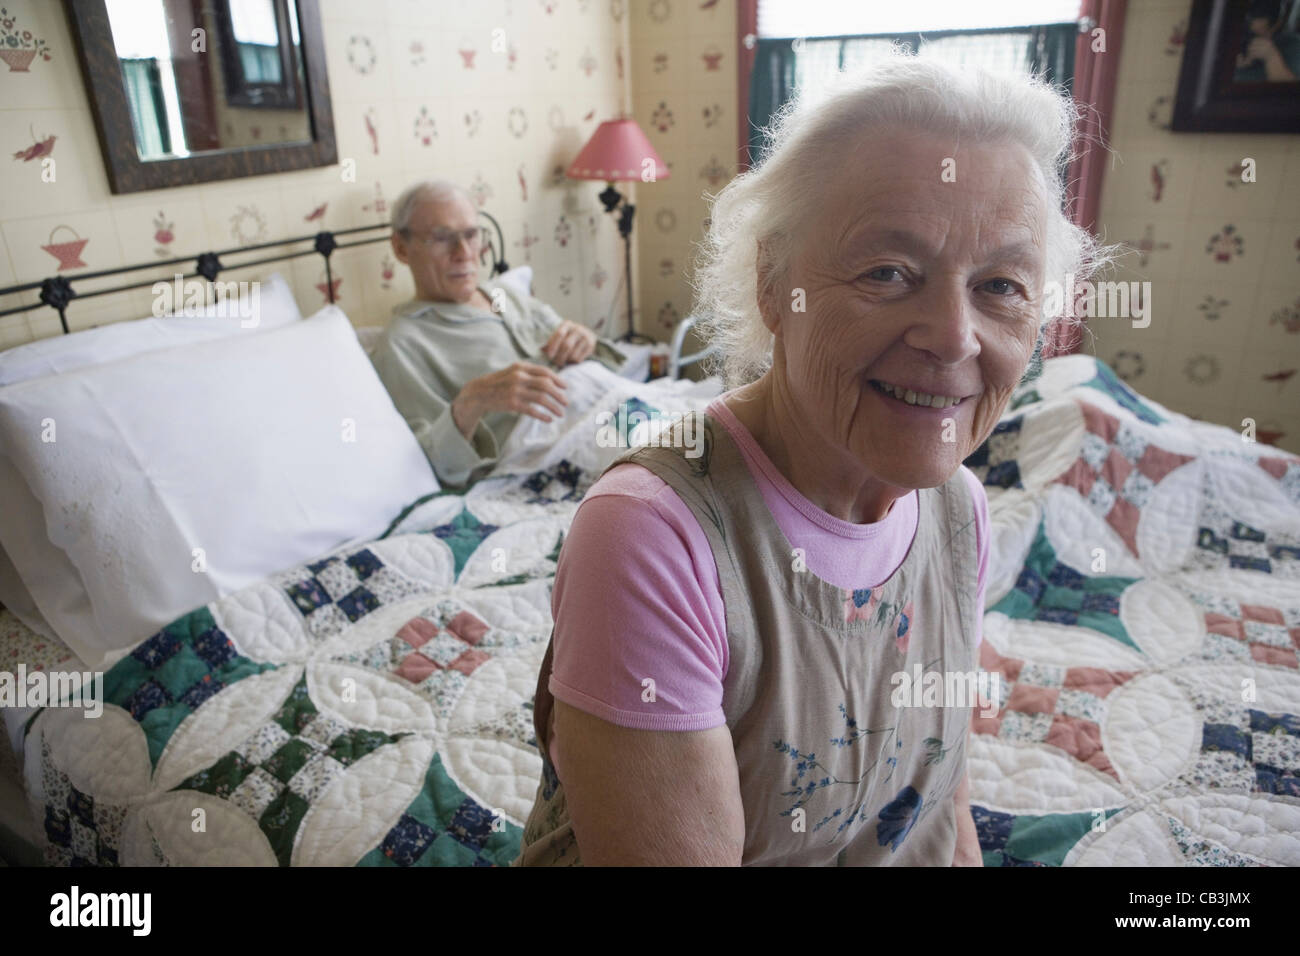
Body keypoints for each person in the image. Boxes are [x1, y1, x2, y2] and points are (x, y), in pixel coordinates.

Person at [515, 53, 1112, 866]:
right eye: (888, 271)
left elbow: (938, 797)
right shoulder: (652, 538)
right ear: (773, 283)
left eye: (1002, 285)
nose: (953, 336)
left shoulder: (960, 509)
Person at [370, 180, 627, 487]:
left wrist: (585, 341)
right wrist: (471, 403)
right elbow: (428, 465)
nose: (464, 252)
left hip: (615, 404)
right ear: (401, 248)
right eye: (441, 238)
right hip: (555, 449)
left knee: (692, 438)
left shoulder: (503, 294)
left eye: (471, 234)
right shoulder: (402, 344)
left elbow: (604, 364)